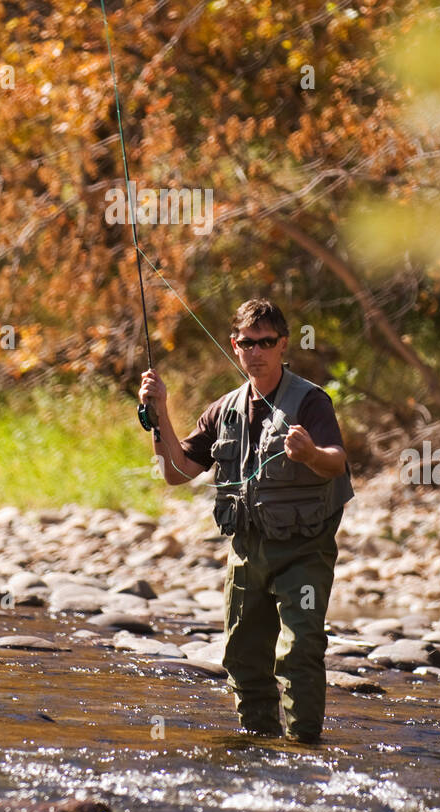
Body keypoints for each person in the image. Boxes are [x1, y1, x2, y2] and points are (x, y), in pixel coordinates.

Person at [139, 297, 353, 743]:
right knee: (242, 658)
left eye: (266, 342)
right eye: (247, 343)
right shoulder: (223, 410)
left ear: (283, 345)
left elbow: (336, 462)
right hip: (246, 552)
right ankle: (259, 750)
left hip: (304, 551)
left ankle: (304, 750)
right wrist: (159, 414)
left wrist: (311, 454)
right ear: (234, 346)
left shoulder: (311, 401)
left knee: (299, 652)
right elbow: (176, 473)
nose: (256, 352)